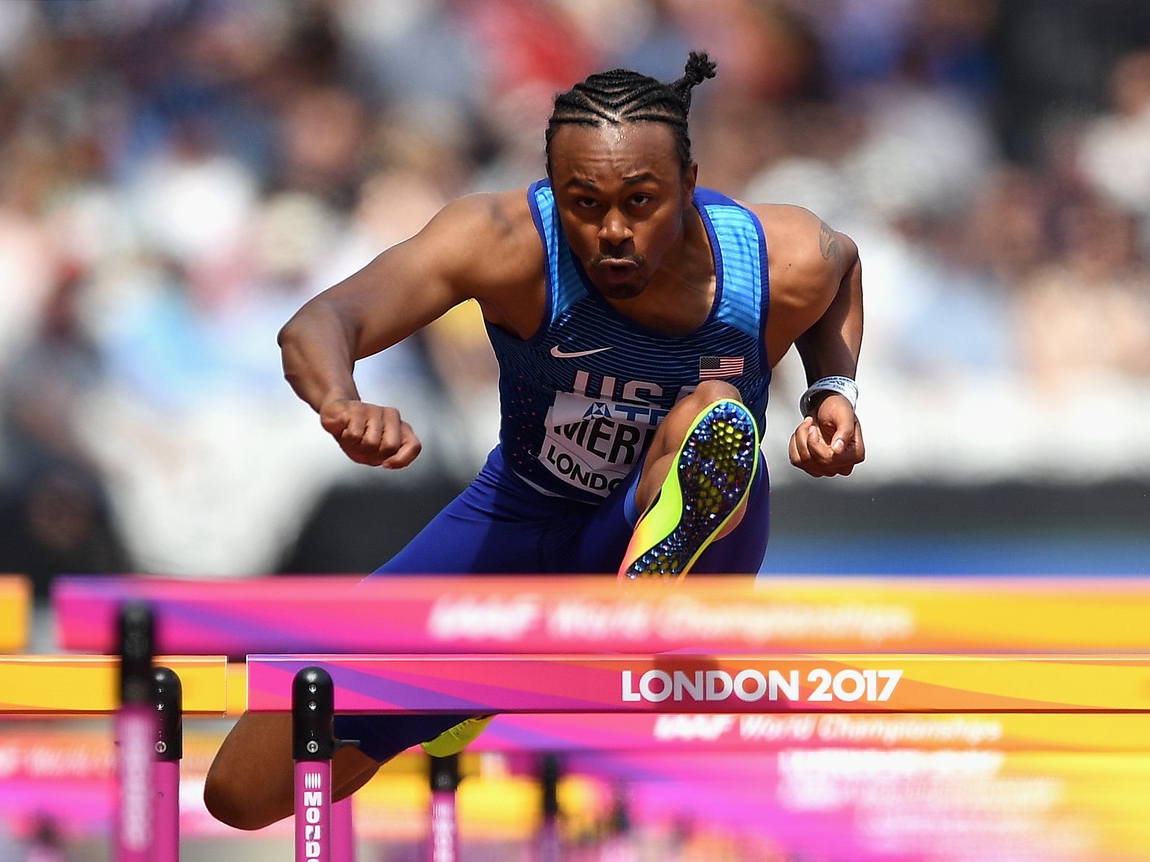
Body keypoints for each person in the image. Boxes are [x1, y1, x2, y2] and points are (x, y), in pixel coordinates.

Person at [204, 51, 864, 830]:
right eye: (583, 204)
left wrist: (833, 389)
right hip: (519, 526)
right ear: (552, 188)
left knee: (713, 412)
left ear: (689, 184)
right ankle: (471, 689)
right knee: (241, 792)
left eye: (640, 202)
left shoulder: (784, 259)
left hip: (693, 538)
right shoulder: (504, 241)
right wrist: (341, 402)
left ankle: (639, 606)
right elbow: (322, 321)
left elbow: (843, 272)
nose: (611, 232)